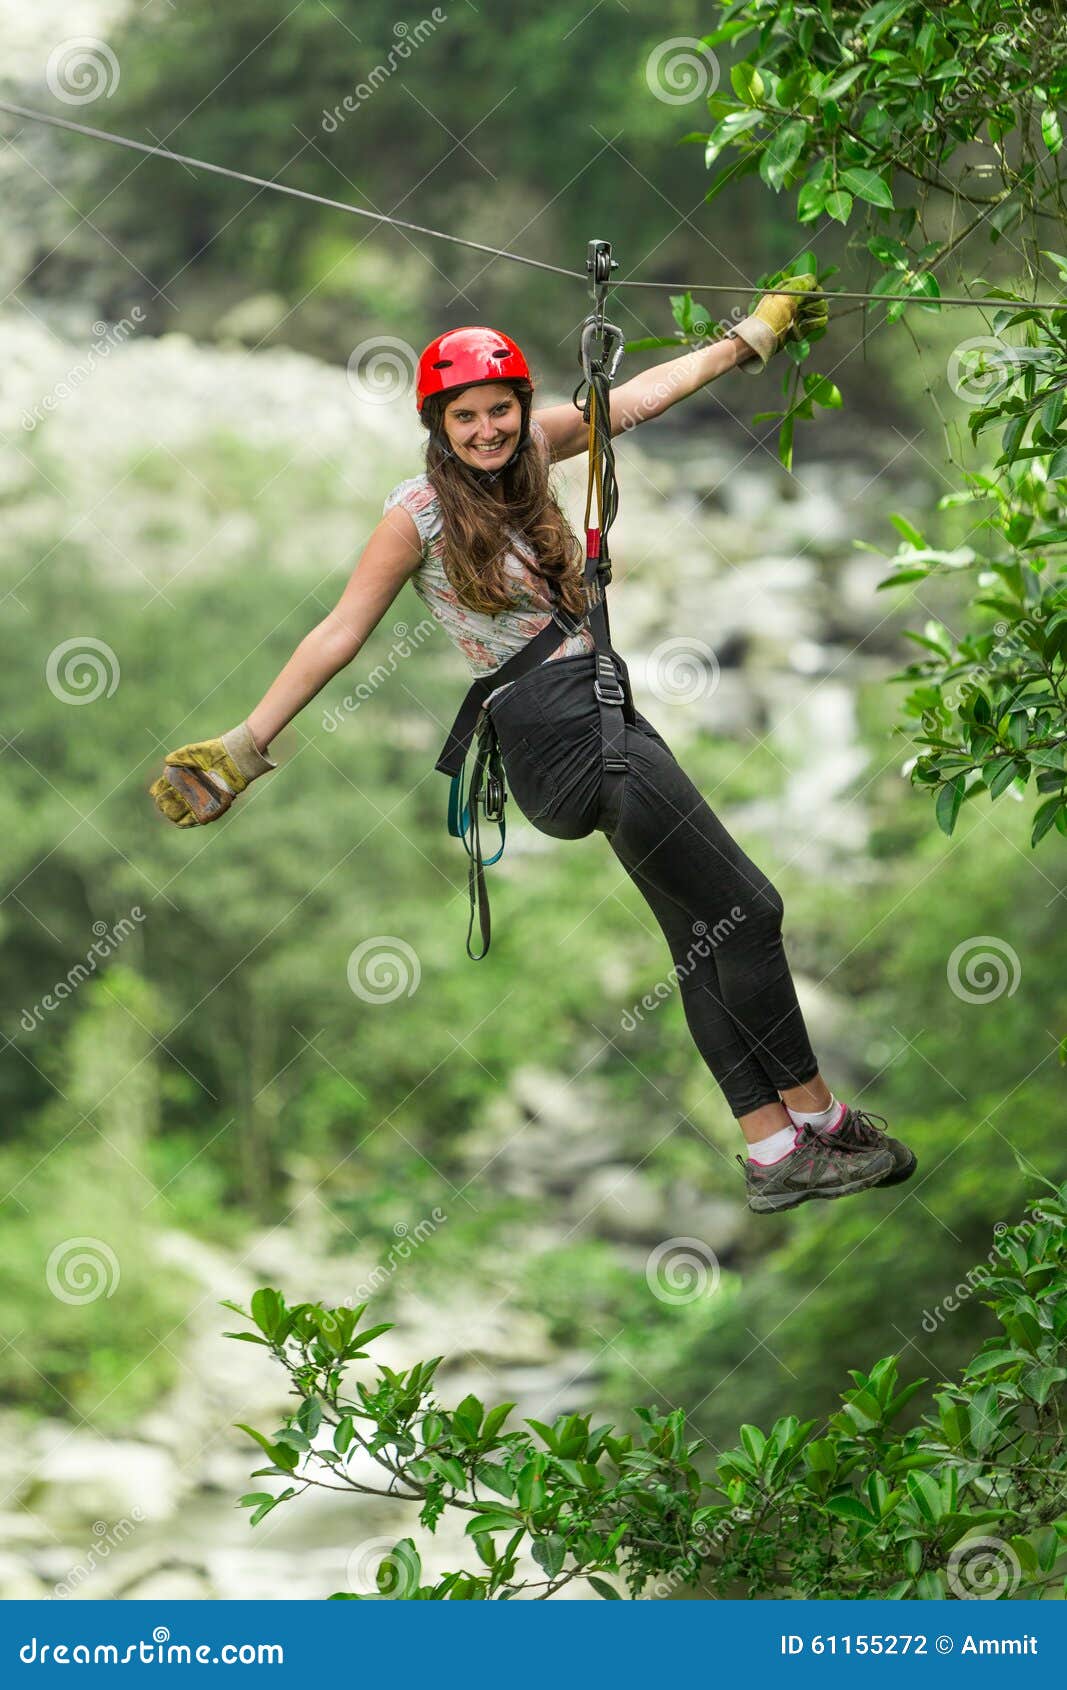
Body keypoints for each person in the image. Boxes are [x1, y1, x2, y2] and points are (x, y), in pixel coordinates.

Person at [149, 288, 917, 1214]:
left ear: (521, 405)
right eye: (463, 417)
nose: (485, 430)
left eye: (498, 410)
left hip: (578, 726)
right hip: (567, 729)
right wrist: (244, 747)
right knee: (751, 912)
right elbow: (338, 634)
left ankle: (767, 1150)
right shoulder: (416, 515)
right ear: (436, 425)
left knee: (700, 938)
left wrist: (748, 338)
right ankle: (822, 1125)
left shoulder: (538, 451)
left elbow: (634, 401)